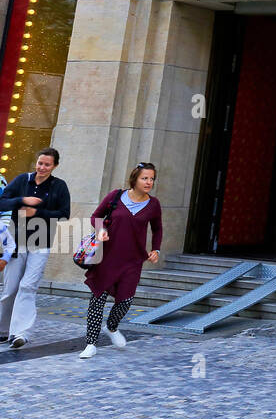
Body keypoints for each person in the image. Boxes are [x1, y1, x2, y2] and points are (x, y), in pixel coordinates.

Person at [80, 163, 162, 359]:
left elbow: (157, 229)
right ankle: (90, 344)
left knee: (125, 301)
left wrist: (155, 249)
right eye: (145, 178)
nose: (149, 182)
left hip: (133, 260)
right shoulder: (116, 196)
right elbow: (96, 216)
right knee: (97, 299)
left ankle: (112, 327)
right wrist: (101, 230)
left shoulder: (153, 204)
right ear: (135, 179)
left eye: (151, 179)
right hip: (107, 256)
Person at [0, 148, 71, 348]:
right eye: (40, 163)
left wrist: (36, 212)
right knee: (10, 289)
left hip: (41, 243)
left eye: (47, 164)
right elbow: (2, 202)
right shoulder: (23, 180)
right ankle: (3, 330)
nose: (42, 167)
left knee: (27, 287)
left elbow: (64, 213)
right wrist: (22, 201)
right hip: (16, 242)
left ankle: (20, 333)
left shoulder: (59, 186)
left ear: (55, 166)